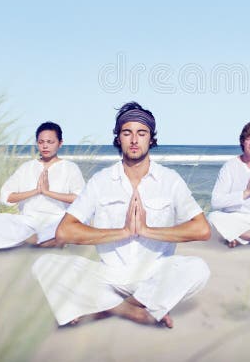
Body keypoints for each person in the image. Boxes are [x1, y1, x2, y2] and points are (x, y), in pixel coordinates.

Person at [32, 102, 211, 328]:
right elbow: (64, 231)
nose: (134, 140)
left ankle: (106, 306)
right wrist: (123, 231)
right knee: (44, 264)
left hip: (155, 273)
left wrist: (147, 231)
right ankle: (130, 310)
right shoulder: (101, 181)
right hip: (109, 275)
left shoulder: (170, 179)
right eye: (127, 133)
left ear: (151, 139)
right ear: (118, 138)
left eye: (141, 133)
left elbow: (202, 229)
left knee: (198, 269)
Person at [0, 121, 84, 251]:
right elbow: (6, 196)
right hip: (29, 221)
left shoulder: (70, 168)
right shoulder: (27, 167)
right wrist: (36, 191)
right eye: (41, 142)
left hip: (57, 220)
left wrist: (48, 192)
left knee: (73, 226)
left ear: (60, 143)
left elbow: (80, 198)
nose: (45, 146)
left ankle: (36, 240)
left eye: (50, 142)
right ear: (37, 143)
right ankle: (38, 240)